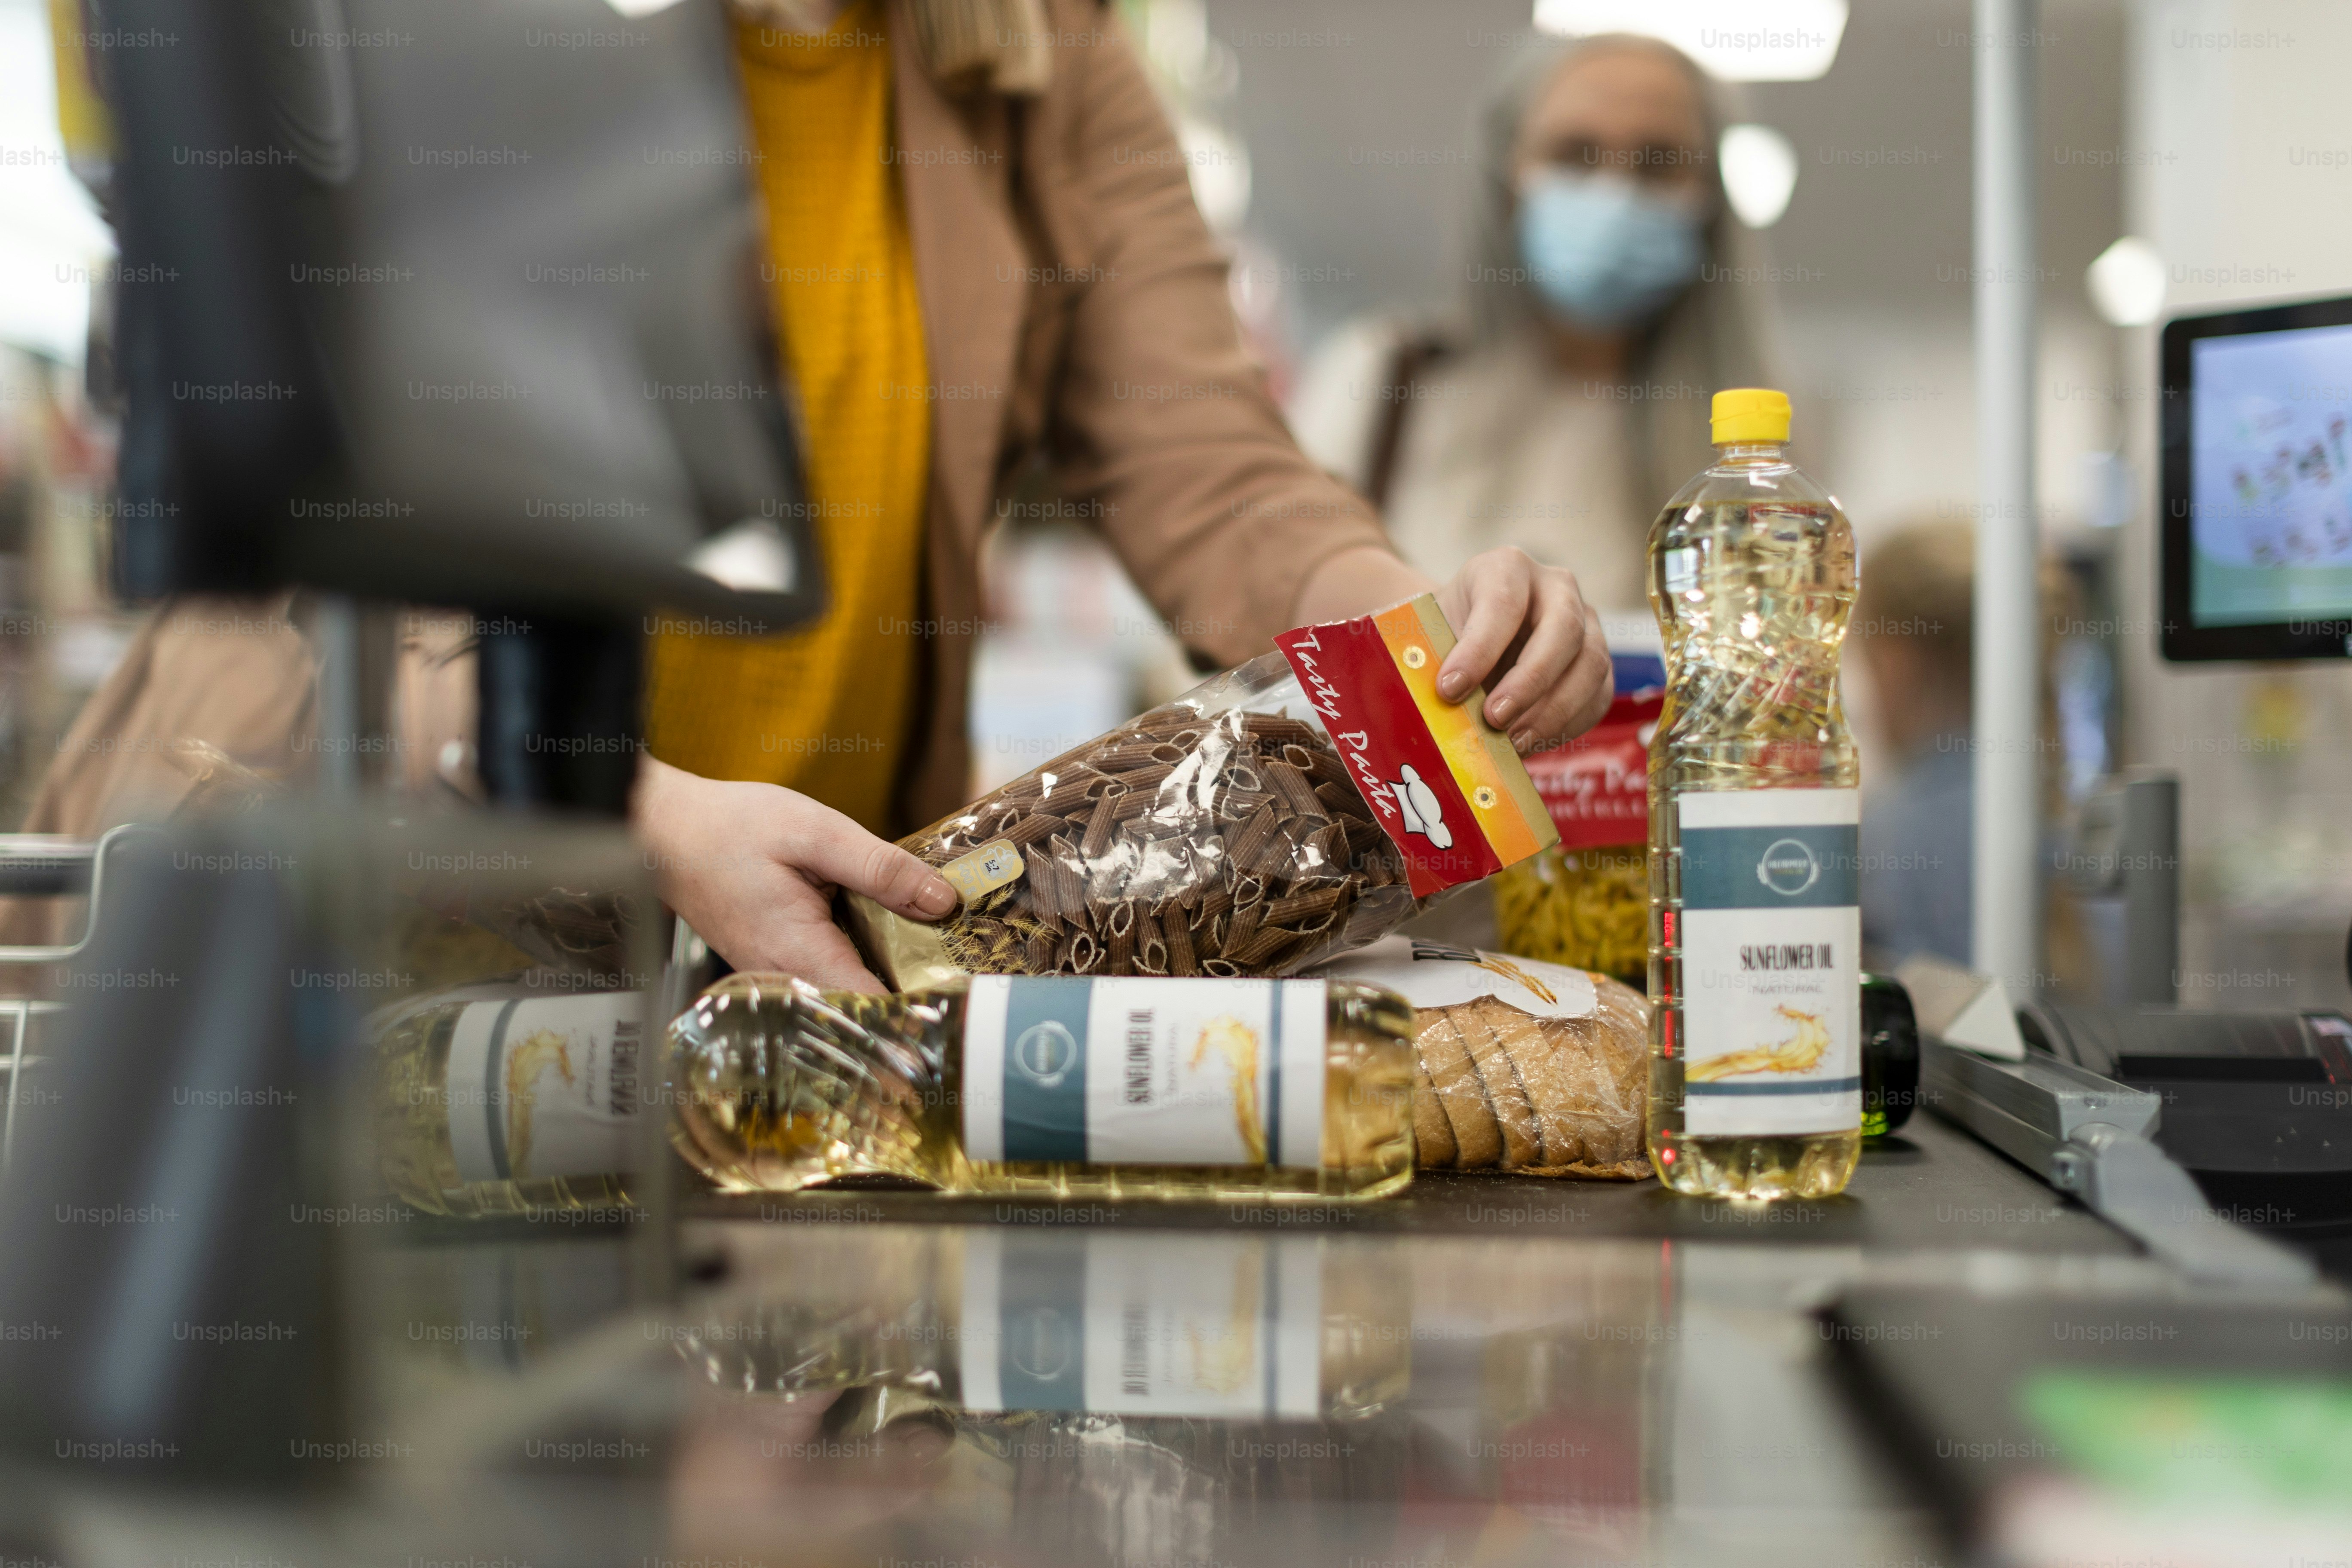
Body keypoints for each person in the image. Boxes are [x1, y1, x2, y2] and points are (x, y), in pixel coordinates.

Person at [15, 0, 1614, 989]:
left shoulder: (1038, 62)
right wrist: (631, 810)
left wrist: (1422, 631)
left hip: (749, 974)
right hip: (320, 881)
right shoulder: (488, 27)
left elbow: (1211, 465)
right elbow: (377, 511)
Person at [1289, 32, 1781, 616]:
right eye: (1576, 154)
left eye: (1659, 163)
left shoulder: (1747, 447)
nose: (1616, 194)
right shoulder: (1383, 379)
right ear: (1506, 180)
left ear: (1709, 199)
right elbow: (1266, 614)